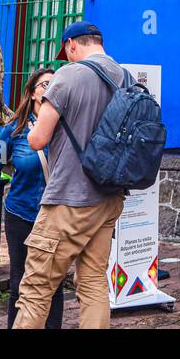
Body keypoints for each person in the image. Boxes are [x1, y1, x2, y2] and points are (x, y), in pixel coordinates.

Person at [14, 22, 126, 330]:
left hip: (69, 198)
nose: (68, 58)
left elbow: (37, 139)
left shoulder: (68, 75)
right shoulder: (124, 76)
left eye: (67, 53)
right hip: (109, 196)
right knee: (92, 282)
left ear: (72, 45)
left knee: (37, 288)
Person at [0, 67, 66, 328]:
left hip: (55, 216)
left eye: (54, 85)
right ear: (30, 93)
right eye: (43, 85)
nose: (49, 89)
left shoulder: (66, 130)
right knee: (20, 282)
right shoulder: (13, 131)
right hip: (21, 214)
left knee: (54, 282)